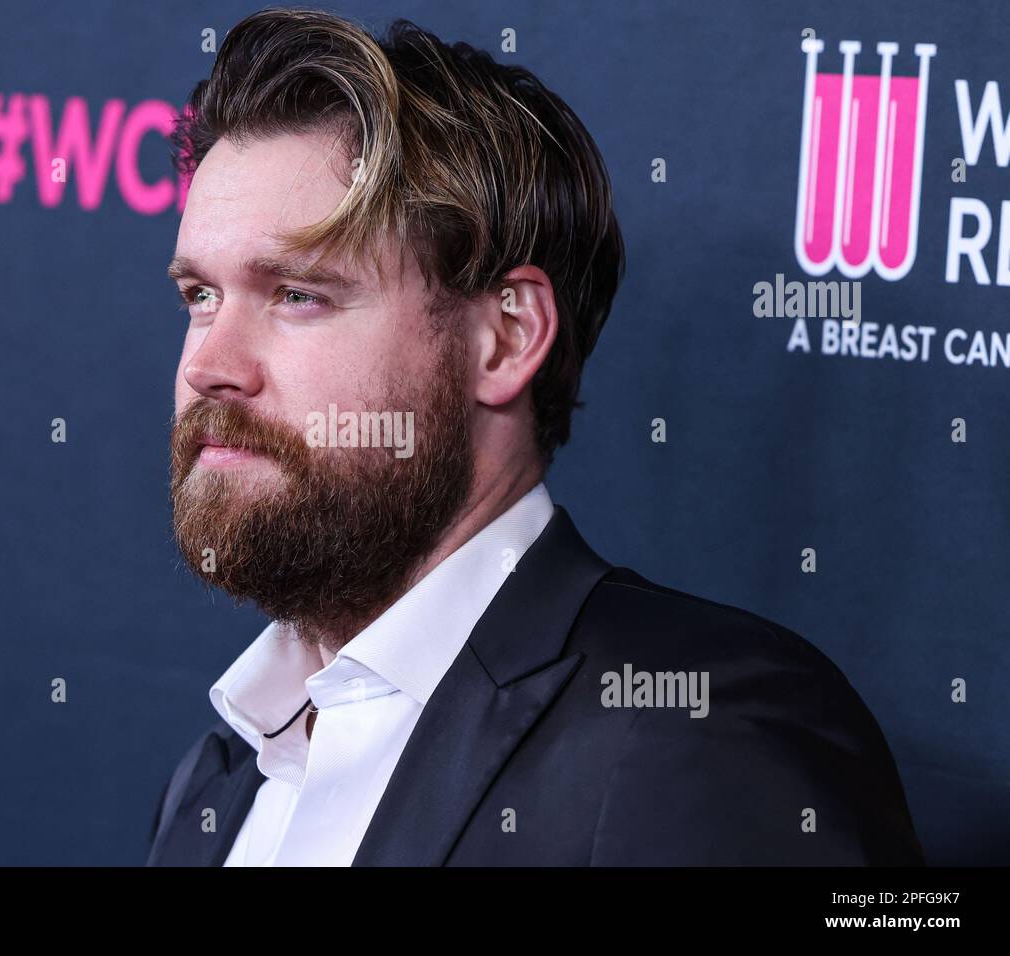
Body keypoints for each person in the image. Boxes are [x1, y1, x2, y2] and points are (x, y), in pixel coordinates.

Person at [147, 7, 924, 866]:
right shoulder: (221, 776)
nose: (210, 365)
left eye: (298, 295)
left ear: (506, 339)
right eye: (200, 297)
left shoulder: (695, 734)